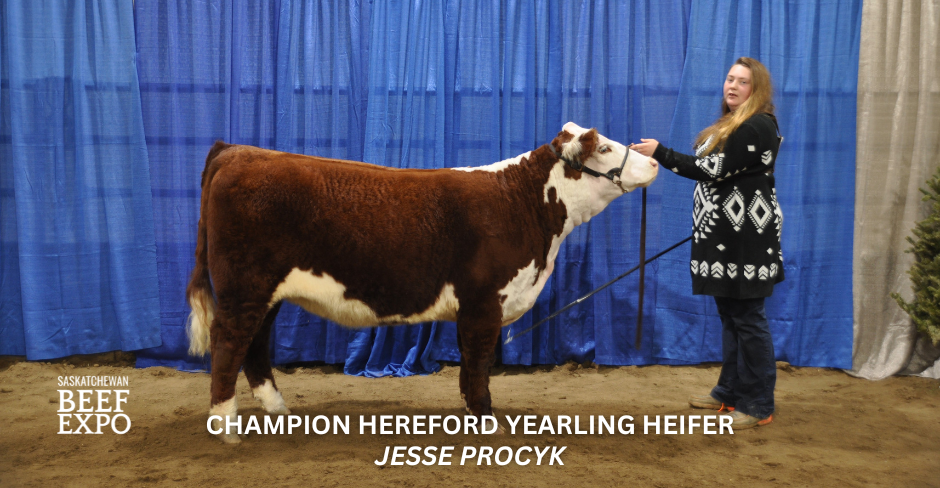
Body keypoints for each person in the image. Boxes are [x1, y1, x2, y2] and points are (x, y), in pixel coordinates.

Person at [631, 57, 783, 429]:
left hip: (746, 242)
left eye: (742, 81)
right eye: (730, 79)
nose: (732, 86)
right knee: (731, 317)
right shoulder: (729, 125)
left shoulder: (758, 125)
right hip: (724, 238)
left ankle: (759, 403)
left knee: (749, 320)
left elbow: (714, 170)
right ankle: (729, 392)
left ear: (756, 89)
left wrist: (661, 153)